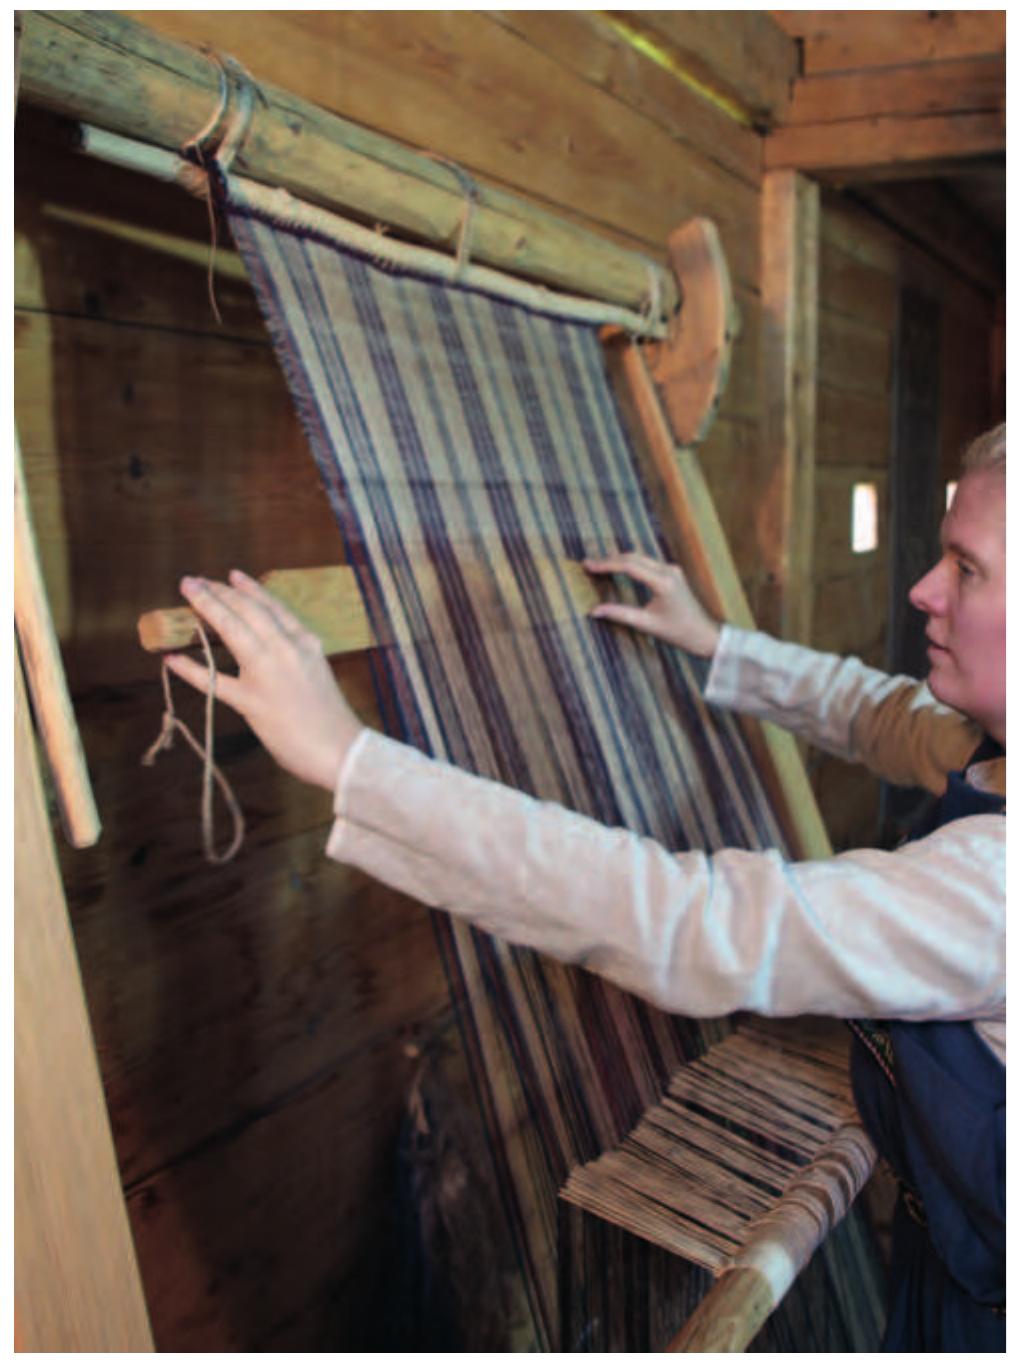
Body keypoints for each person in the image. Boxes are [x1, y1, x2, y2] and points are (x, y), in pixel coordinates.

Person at [166, 423, 1004, 1350]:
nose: (924, 589)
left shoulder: (990, 894)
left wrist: (351, 760)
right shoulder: (984, 751)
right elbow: (881, 713)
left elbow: (693, 925)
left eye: (966, 569)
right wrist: (714, 643)